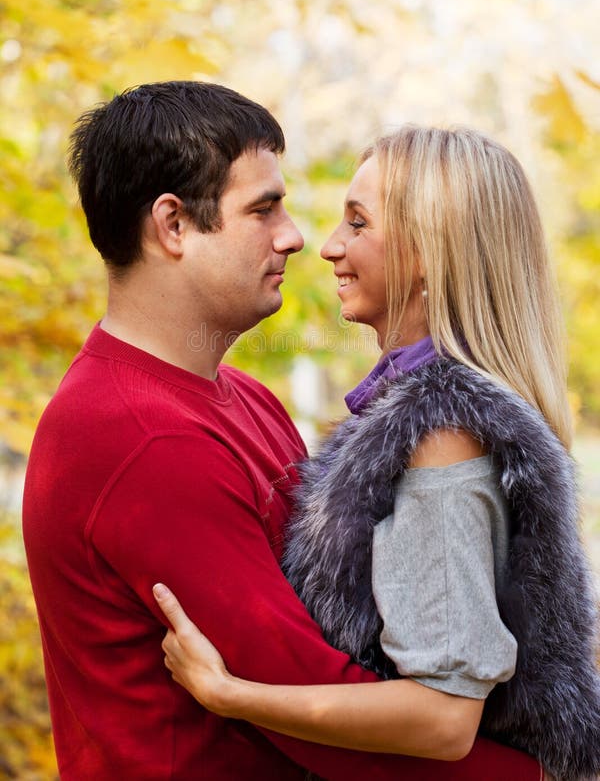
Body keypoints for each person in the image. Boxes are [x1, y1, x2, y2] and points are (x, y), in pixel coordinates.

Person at [23, 84, 542, 780]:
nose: (296, 236)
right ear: (172, 225)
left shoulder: (246, 401)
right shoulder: (137, 436)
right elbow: (314, 711)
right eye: (263, 208)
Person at [153, 125, 600, 781]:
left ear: (429, 251)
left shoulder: (443, 434)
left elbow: (445, 720)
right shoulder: (431, 418)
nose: (329, 246)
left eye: (358, 224)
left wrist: (231, 696)